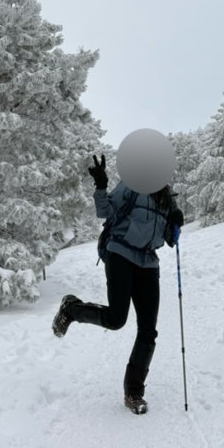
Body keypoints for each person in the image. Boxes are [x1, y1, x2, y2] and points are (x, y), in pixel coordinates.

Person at [51, 153, 184, 414]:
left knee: (148, 332)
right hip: (120, 253)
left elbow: (168, 238)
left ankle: (134, 393)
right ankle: (71, 309)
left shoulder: (167, 199)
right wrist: (101, 185)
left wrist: (176, 222)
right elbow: (104, 211)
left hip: (148, 263)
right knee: (116, 319)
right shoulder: (131, 187)